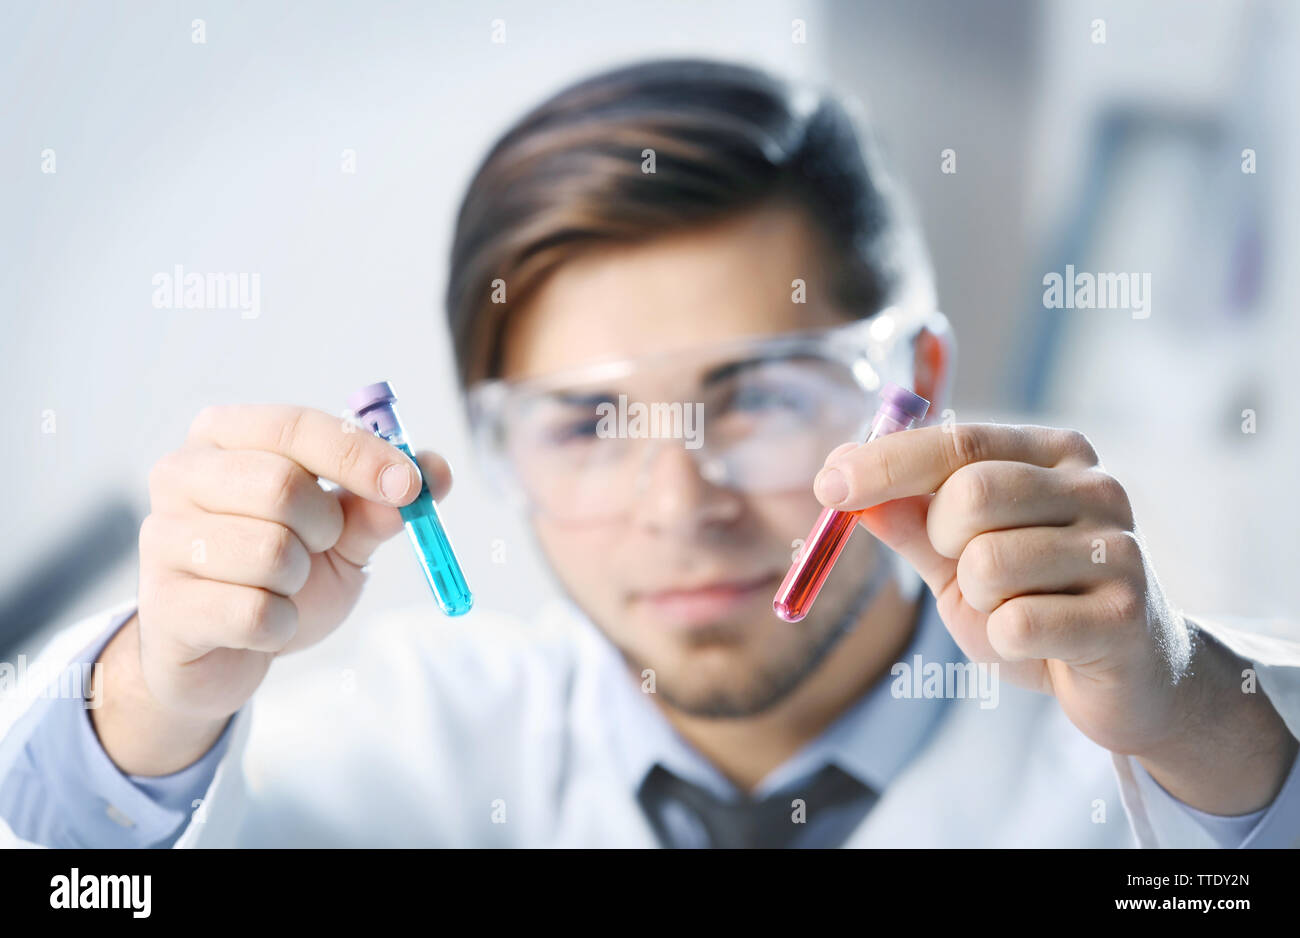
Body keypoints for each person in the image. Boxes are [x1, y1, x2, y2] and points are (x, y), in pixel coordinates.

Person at [2, 59, 1298, 849]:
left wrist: (1203, 726)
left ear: (918, 387)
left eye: (761, 397)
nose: (680, 504)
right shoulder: (394, 753)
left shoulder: (1169, 742)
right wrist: (154, 698)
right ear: (491, 448)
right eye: (585, 420)